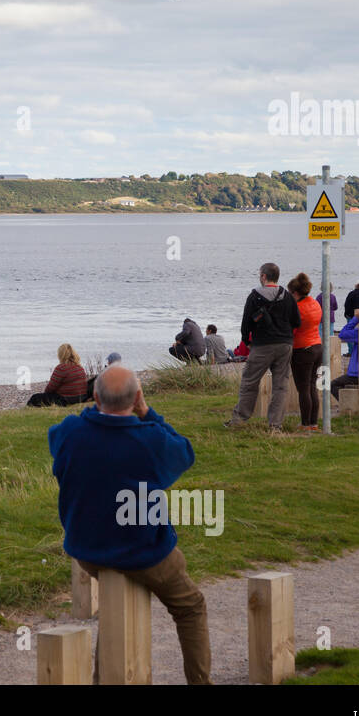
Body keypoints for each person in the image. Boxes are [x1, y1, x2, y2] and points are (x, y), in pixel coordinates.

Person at [49, 365, 210, 684]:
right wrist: (149, 413)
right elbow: (184, 452)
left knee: (115, 610)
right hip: (145, 552)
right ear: (136, 397)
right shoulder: (149, 439)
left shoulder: (71, 432)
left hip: (88, 550)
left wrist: (94, 414)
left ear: (95, 396)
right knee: (191, 606)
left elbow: (62, 433)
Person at [225, 262, 300, 431]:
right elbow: (297, 321)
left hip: (262, 345)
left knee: (250, 381)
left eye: (260, 275)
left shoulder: (254, 296)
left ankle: (240, 419)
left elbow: (245, 325)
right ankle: (275, 424)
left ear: (264, 276)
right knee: (280, 385)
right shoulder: (287, 296)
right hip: (285, 344)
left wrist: (247, 341)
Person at [288, 272, 323, 431]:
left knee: (303, 389)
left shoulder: (297, 308)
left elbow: (293, 329)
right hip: (317, 346)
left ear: (295, 293)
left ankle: (305, 423)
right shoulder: (315, 303)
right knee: (312, 387)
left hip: (302, 350)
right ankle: (314, 423)